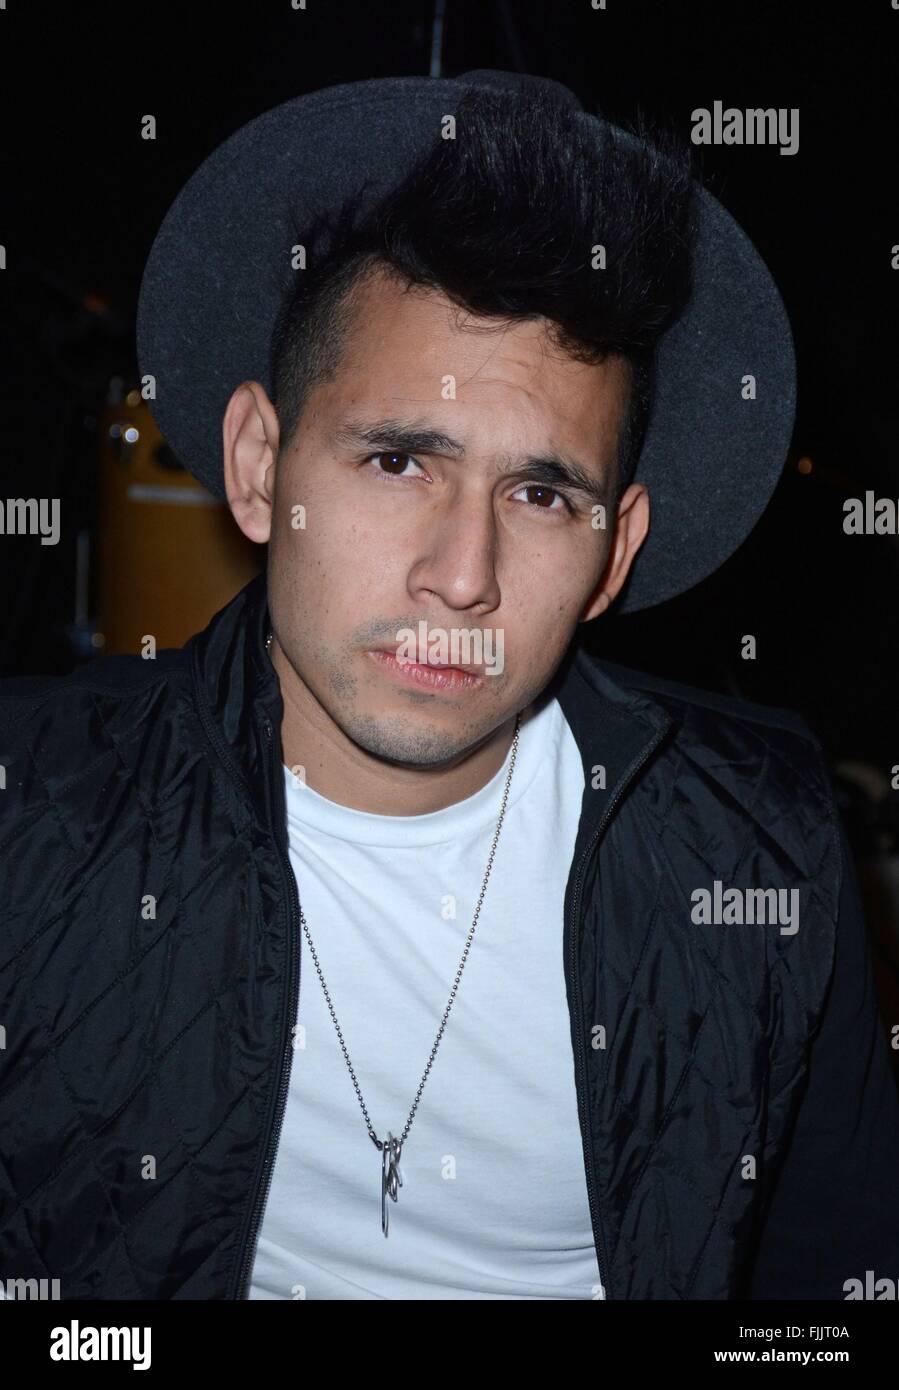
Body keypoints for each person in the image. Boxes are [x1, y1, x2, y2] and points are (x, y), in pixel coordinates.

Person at [2, 70, 897, 1302]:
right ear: (260, 467)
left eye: (540, 495)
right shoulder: (30, 819)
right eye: (397, 460)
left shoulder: (756, 848)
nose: (461, 578)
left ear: (612, 553)